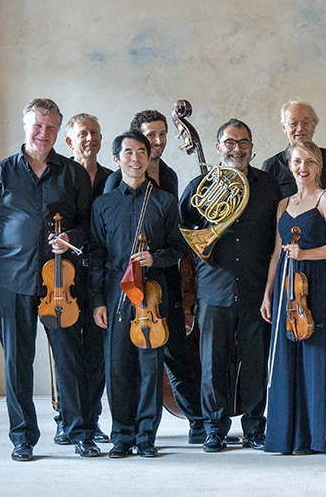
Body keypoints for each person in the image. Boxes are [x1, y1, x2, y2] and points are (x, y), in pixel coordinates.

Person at [0, 98, 96, 461]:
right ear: (26, 127)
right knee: (17, 362)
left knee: (70, 359)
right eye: (37, 126)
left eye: (51, 127)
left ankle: (80, 432)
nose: (44, 134)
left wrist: (72, 237)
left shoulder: (72, 174)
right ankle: (22, 437)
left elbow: (90, 225)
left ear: (59, 130)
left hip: (61, 283)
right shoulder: (2, 172)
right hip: (12, 280)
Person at [178, 118, 280, 451]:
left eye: (244, 143)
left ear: (252, 147)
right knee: (212, 363)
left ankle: (254, 426)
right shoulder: (199, 186)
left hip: (254, 288)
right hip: (214, 287)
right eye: (230, 143)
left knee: (255, 363)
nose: (238, 149)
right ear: (219, 146)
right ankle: (215, 428)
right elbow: (184, 236)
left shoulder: (268, 185)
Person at [106, 109, 205, 443]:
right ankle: (126, 431)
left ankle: (185, 422)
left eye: (162, 135)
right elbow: (106, 242)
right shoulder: (111, 190)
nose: (157, 141)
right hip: (124, 287)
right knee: (124, 362)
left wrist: (162, 258)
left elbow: (175, 235)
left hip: (161, 282)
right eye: (150, 135)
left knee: (170, 351)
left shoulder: (169, 182)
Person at [88, 131, 188, 459]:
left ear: (148, 158)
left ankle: (146, 436)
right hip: (116, 295)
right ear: (116, 160)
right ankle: (121, 435)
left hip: (151, 295)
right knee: (118, 367)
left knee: (149, 366)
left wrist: (154, 258)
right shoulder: (103, 204)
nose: (135, 158)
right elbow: (98, 255)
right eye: (128, 152)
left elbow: (178, 248)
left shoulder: (164, 201)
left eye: (141, 152)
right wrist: (98, 300)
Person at [260, 141, 326, 454]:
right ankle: (290, 437)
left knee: (316, 358)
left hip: (316, 284)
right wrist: (268, 293)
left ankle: (320, 437)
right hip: (288, 287)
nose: (303, 167)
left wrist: (307, 253)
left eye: (310, 161)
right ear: (289, 164)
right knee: (286, 360)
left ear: (319, 166)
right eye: (297, 161)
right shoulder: (283, 204)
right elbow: (276, 253)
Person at [55, 113, 113, 446]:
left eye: (94, 132)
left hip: (99, 272)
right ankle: (66, 419)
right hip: (65, 274)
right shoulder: (60, 176)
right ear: (69, 141)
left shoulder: (111, 178)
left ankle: (90, 420)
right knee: (66, 353)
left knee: (95, 351)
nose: (89, 138)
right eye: (82, 134)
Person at [263, 99, 326, 198]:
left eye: (305, 123)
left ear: (313, 126)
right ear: (284, 127)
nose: (300, 128)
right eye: (293, 123)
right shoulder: (272, 166)